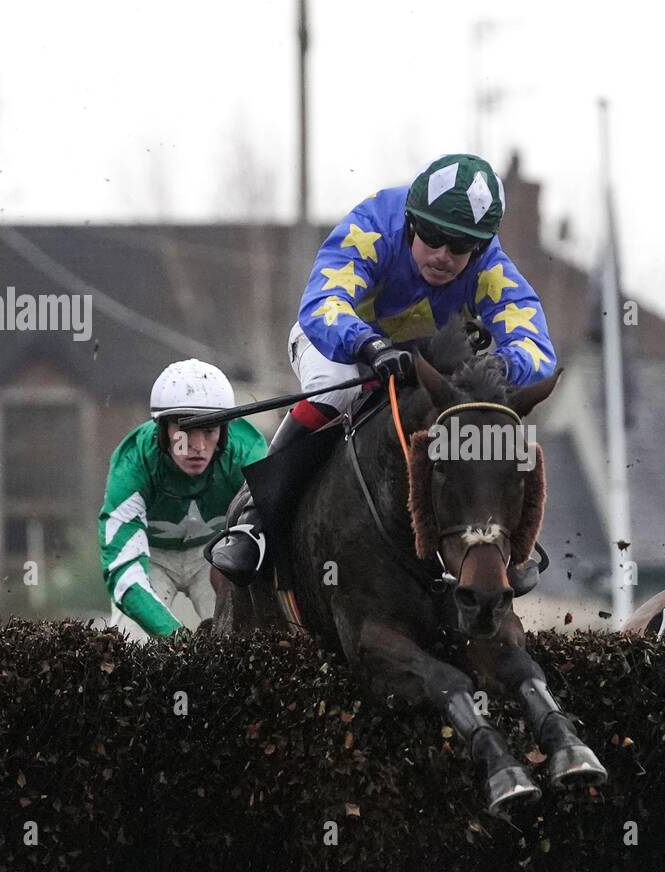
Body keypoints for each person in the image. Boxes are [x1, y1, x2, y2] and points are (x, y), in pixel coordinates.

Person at [210, 152, 555, 593]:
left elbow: (534, 344)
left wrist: (503, 367)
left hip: (419, 359)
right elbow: (324, 302)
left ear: (481, 247)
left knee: (480, 411)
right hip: (338, 342)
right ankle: (255, 521)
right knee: (334, 392)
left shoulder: (490, 266)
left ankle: (503, 545)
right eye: (432, 237)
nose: (444, 256)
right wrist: (369, 345)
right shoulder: (372, 226)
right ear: (411, 222)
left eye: (461, 246)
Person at [99, 359, 267, 639]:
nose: (198, 447)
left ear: (224, 432)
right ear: (163, 430)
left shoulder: (248, 454)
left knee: (237, 643)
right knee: (133, 645)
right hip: (151, 558)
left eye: (209, 431)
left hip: (213, 555)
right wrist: (178, 640)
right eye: (185, 431)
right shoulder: (133, 463)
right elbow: (124, 573)